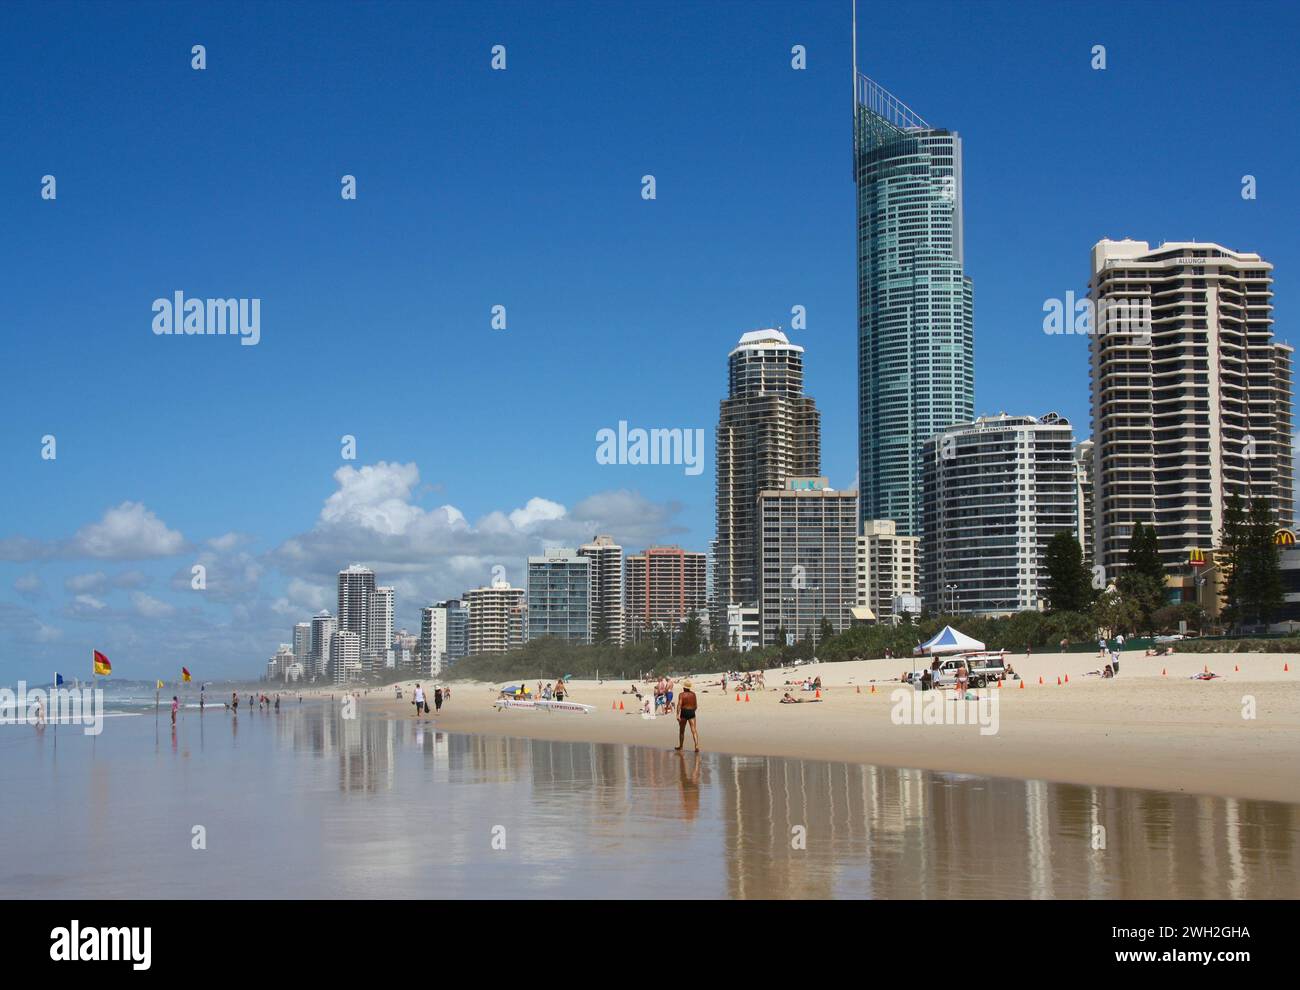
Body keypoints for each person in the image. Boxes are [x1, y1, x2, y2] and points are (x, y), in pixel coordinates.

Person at [675, 680, 699, 752]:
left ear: (684, 687)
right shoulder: (693, 694)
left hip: (684, 712)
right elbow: (696, 705)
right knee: (694, 730)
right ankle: (696, 745)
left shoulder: (681, 695)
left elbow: (679, 704)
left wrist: (677, 714)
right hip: (691, 712)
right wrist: (692, 711)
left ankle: (681, 746)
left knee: (682, 730)